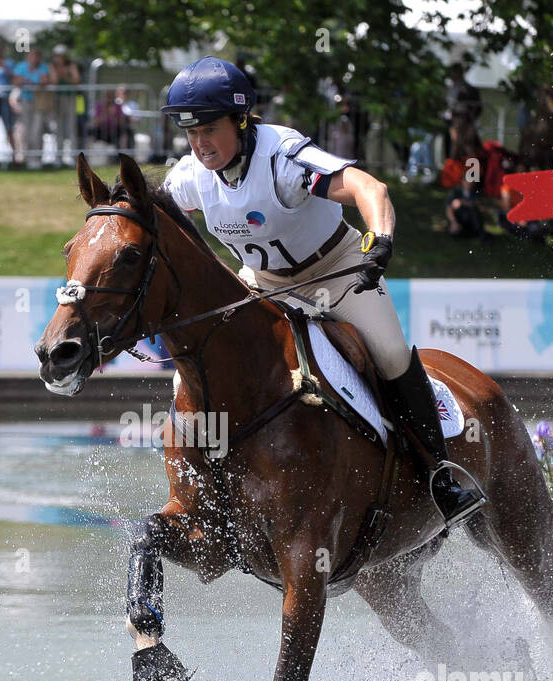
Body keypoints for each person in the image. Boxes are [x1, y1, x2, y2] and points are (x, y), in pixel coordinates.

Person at [160, 57, 485, 526]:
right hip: (262, 283)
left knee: (392, 355)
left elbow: (369, 187)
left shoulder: (283, 156)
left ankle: (441, 474)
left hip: (336, 271)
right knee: (185, 375)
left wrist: (380, 239)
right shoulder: (190, 175)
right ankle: (201, 493)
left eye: (209, 129)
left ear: (242, 119)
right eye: (191, 133)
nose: (199, 144)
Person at [12, 47, 51, 167]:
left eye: (36, 56)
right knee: (27, 130)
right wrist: (28, 80)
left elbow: (45, 80)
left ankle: (37, 158)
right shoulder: (21, 66)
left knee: (37, 129)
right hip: (26, 101)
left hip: (39, 102)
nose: (34, 59)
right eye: (32, 56)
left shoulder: (43, 67)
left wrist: (30, 81)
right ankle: (28, 157)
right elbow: (16, 80)